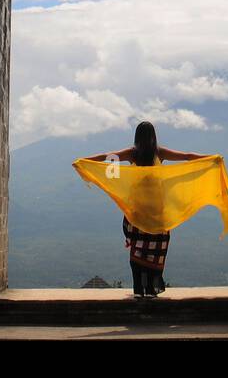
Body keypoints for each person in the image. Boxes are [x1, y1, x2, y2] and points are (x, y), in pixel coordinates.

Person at [83, 121, 204, 299]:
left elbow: (106, 157)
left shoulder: (134, 153)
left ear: (137, 137)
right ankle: (150, 289)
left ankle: (140, 289)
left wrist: (85, 162)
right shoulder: (158, 153)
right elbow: (187, 156)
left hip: (138, 211)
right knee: (155, 250)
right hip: (155, 211)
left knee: (138, 250)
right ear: (153, 136)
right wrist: (211, 158)